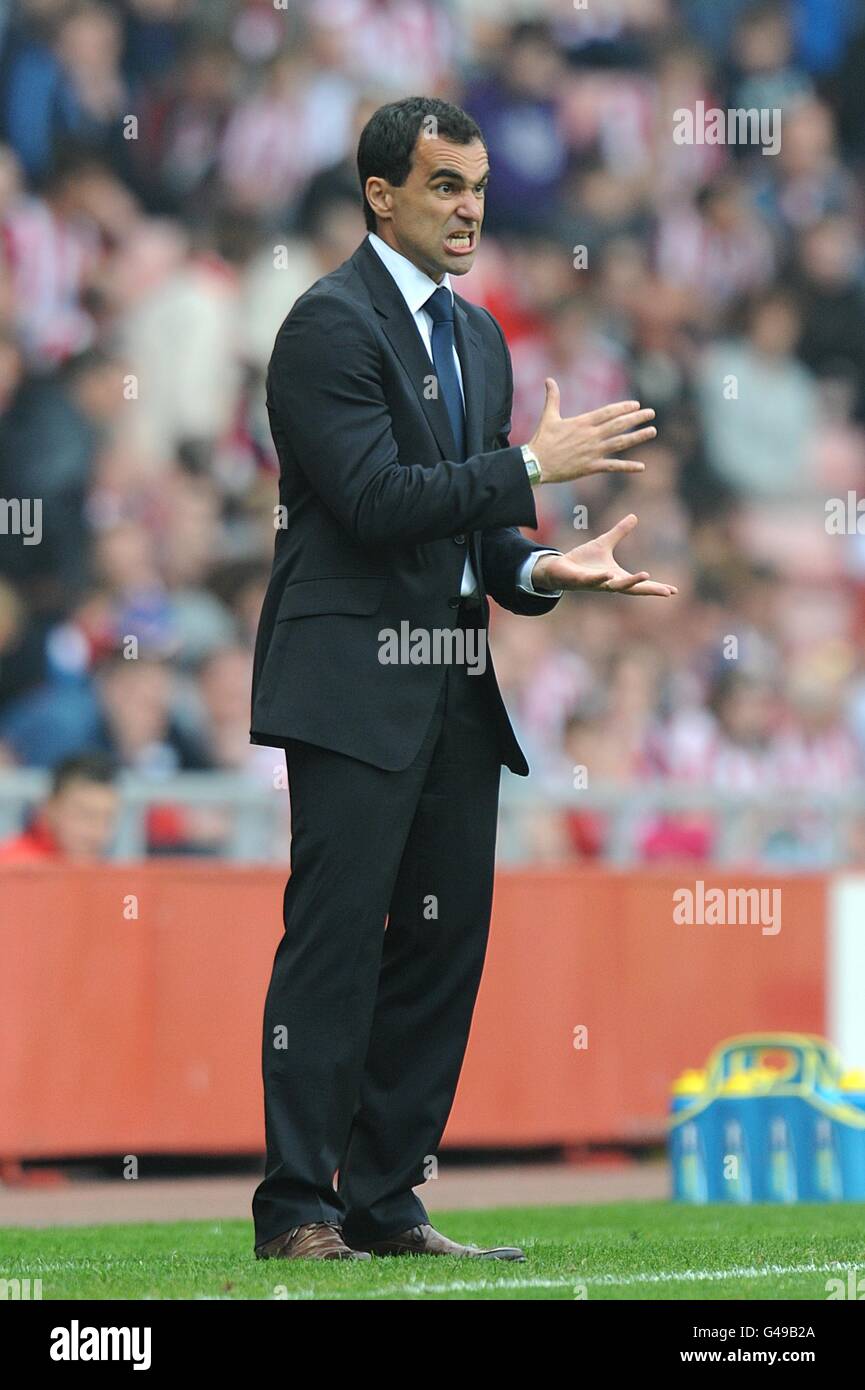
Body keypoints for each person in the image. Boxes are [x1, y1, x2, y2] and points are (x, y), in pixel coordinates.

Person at [249, 96, 675, 1263]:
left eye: (478, 186)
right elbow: (380, 504)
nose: (470, 207)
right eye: (445, 185)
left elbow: (485, 538)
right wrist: (528, 462)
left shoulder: (479, 337)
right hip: (347, 679)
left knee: (443, 946)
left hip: (451, 681)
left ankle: (385, 1199)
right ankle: (294, 1206)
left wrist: (545, 563)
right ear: (380, 194)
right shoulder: (327, 326)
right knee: (334, 940)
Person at [0, 751, 118, 862]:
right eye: (85, 815)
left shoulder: (109, 873)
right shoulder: (12, 866)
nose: (97, 833)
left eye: (107, 819)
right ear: (50, 808)